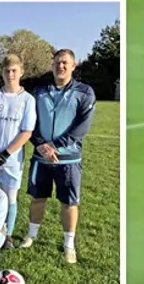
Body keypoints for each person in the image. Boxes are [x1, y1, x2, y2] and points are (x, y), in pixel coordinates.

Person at [23, 49, 95, 264]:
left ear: (74, 66)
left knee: (69, 203)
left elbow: (80, 128)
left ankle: (69, 244)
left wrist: (54, 146)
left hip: (69, 160)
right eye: (56, 62)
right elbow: (30, 123)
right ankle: (31, 236)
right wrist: (40, 145)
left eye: (65, 63)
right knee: (37, 198)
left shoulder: (85, 92)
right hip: (41, 158)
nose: (60, 66)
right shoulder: (39, 92)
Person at [0, 54, 37, 249]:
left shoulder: (28, 100)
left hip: (12, 160)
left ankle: (8, 235)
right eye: (7, 71)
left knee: (10, 197)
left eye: (14, 70)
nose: (10, 74)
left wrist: (6, 153)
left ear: (21, 72)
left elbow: (27, 131)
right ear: (2, 73)